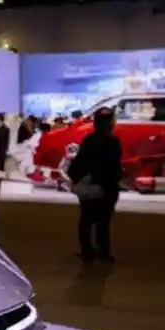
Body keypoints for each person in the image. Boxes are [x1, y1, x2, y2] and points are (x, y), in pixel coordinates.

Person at [67, 108, 122, 262]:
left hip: (88, 185)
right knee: (103, 222)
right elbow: (113, 167)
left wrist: (79, 180)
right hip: (105, 186)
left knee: (86, 219)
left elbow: (77, 164)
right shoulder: (113, 142)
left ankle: (86, 250)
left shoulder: (89, 140)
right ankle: (103, 252)